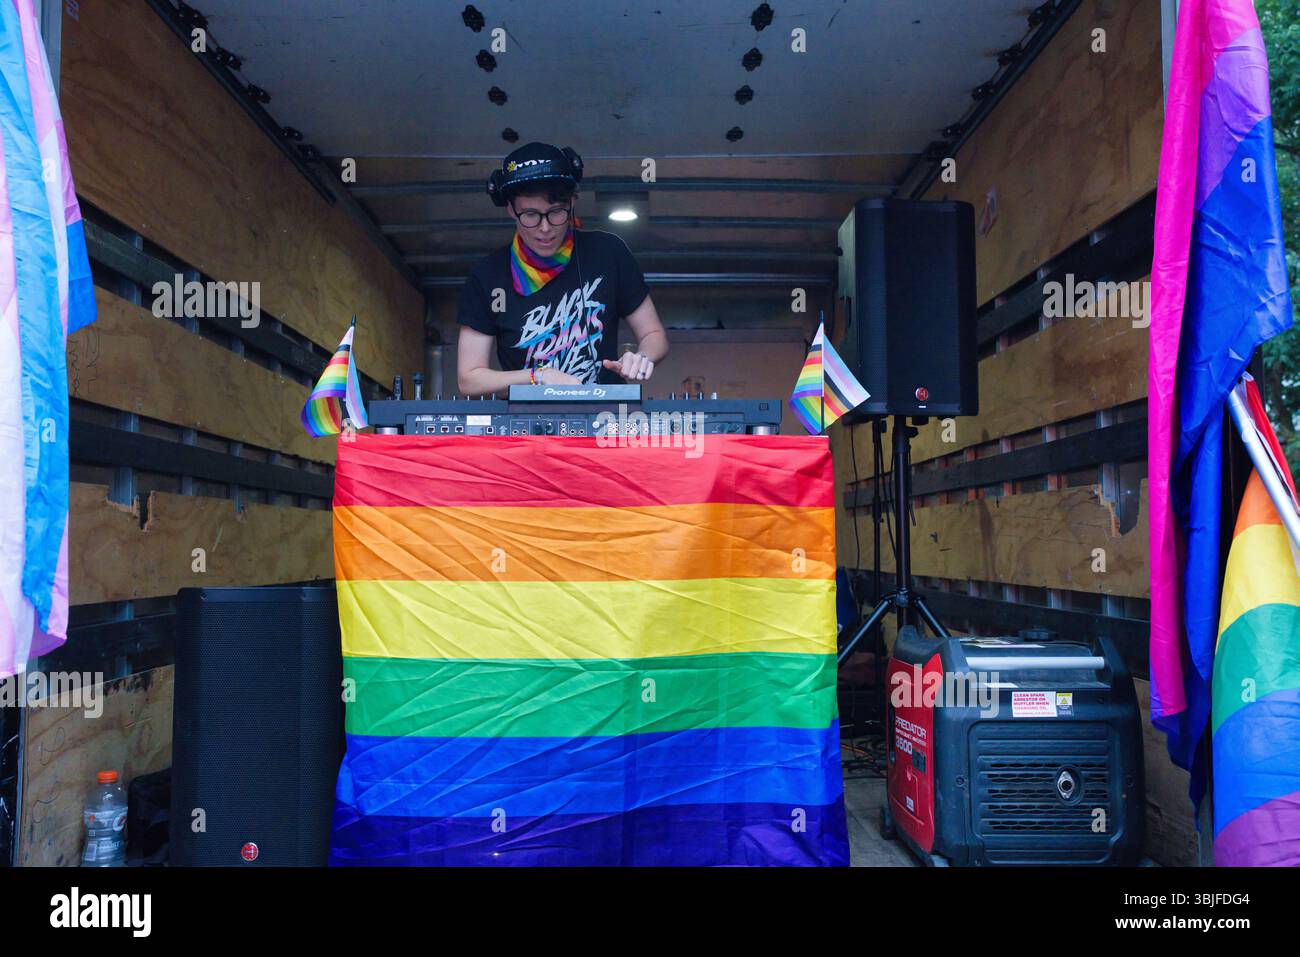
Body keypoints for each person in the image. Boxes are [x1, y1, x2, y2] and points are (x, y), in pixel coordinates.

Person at [456, 142, 668, 395]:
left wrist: (642, 357)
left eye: (556, 212)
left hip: (605, 412)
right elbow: (469, 379)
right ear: (511, 210)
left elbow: (654, 335)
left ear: (573, 202)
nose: (545, 228)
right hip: (528, 419)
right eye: (530, 215)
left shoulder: (608, 253)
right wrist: (537, 376)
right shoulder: (488, 275)